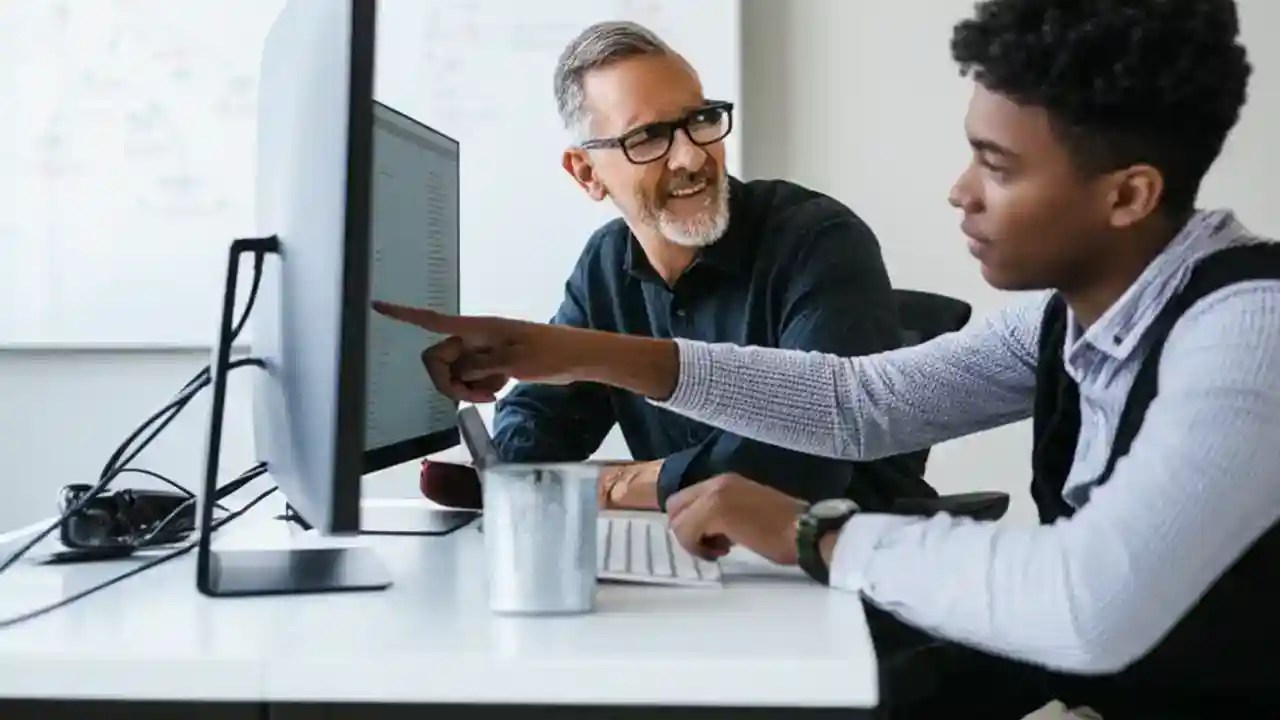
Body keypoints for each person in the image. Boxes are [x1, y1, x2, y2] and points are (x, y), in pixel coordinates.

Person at [378, 0, 1280, 715]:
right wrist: (572, 351)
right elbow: (856, 399)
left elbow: (1090, 602)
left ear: (1127, 196)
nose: (960, 193)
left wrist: (819, 532)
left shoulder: (1247, 331)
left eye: (996, 167)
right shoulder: (1067, 316)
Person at [421, 20, 933, 514]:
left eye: (701, 120)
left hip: (840, 560)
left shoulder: (819, 240)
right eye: (647, 137)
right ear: (586, 173)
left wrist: (616, 485)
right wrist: (505, 471)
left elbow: (805, 455)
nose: (691, 156)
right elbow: (546, 414)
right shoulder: (606, 265)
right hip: (700, 556)